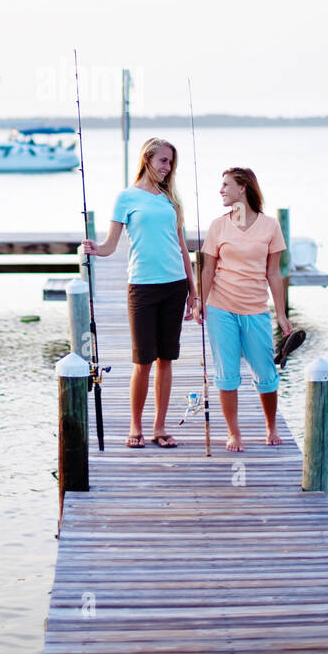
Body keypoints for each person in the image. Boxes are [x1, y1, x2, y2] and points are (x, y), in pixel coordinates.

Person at [82, 138, 197, 448]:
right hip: (142, 288)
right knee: (142, 360)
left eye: (171, 162)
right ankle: (136, 427)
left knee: (166, 359)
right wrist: (95, 249)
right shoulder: (126, 198)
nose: (167, 167)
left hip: (174, 287)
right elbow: (109, 245)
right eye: (163, 161)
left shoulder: (170, 200)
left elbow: (183, 248)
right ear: (147, 159)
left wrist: (193, 292)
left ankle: (160, 428)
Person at [193, 167, 293, 450]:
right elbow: (208, 268)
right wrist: (201, 301)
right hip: (221, 309)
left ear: (243, 188)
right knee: (226, 373)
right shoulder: (218, 226)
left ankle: (271, 425)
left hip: (256, 310)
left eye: (226, 185)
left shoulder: (270, 226)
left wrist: (281, 314)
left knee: (265, 372)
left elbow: (273, 273)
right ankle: (233, 432)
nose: (221, 190)